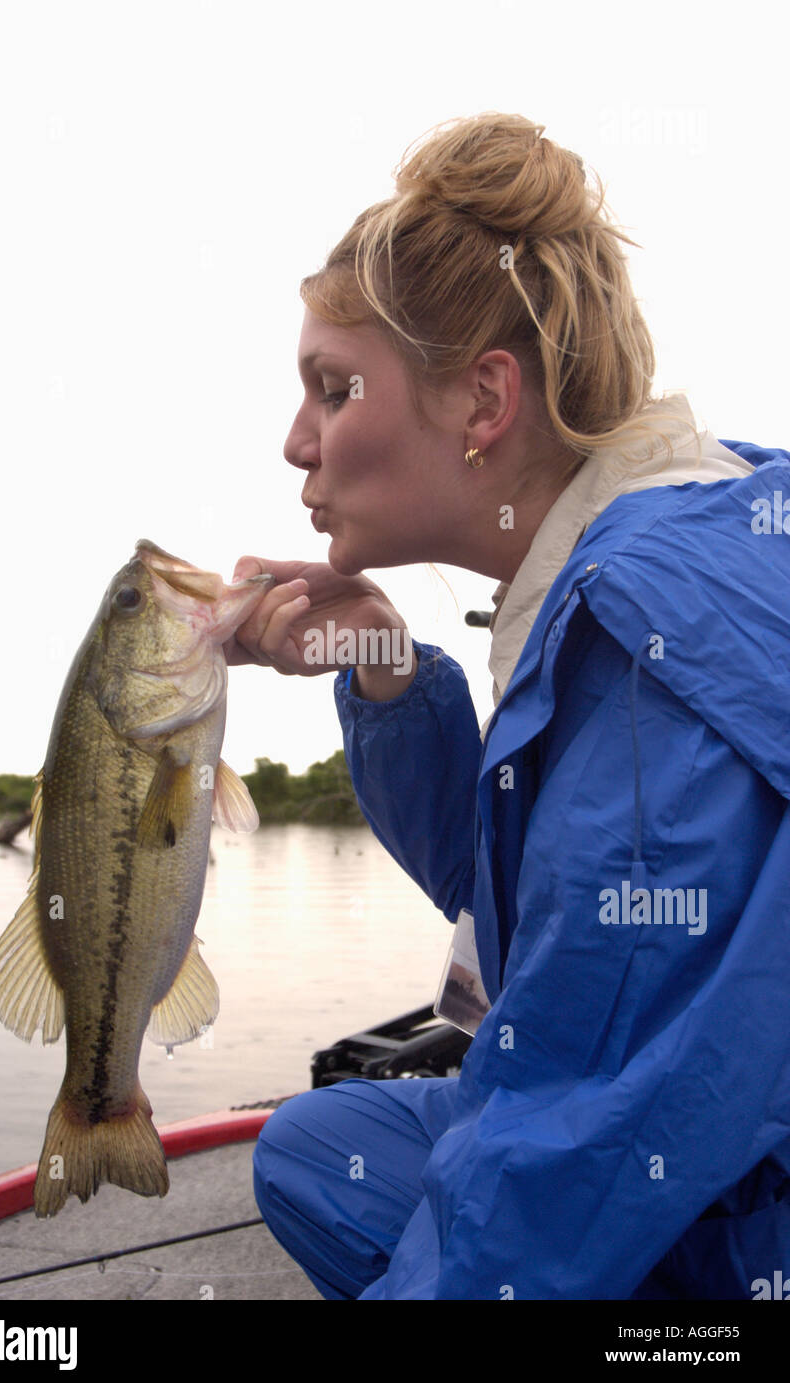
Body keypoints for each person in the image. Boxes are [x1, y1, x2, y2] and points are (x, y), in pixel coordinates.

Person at [226, 112, 790, 1300]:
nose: (295, 442)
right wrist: (381, 658)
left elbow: (571, 1169)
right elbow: (537, 897)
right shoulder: (636, 535)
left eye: (335, 388)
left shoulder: (650, 626)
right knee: (316, 1151)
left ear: (484, 403)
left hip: (751, 1217)